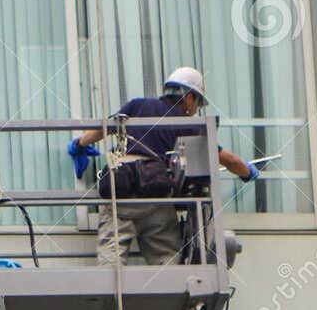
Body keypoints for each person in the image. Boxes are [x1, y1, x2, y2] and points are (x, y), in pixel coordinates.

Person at [67, 66, 257, 266]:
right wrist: (248, 172)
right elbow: (229, 160)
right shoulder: (187, 123)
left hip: (120, 187)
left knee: (110, 259)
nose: (195, 111)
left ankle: (108, 294)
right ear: (189, 98)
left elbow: (101, 130)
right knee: (166, 261)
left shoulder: (138, 106)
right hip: (155, 190)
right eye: (197, 104)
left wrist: (78, 145)